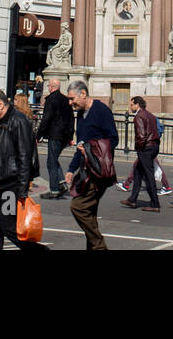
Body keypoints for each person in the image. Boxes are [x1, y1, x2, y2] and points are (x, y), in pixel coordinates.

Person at [0, 88, 47, 251]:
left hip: (9, 188)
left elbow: (25, 156)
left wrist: (22, 191)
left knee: (9, 228)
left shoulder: (18, 121)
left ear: (1, 104)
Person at [63, 80, 118, 249]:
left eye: (72, 99)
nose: (70, 103)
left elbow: (113, 139)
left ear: (83, 94)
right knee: (90, 213)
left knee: (78, 207)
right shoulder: (80, 115)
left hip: (99, 170)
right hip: (86, 170)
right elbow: (81, 143)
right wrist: (72, 169)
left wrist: (91, 149)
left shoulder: (102, 111)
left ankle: (100, 246)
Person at [121, 96, 161, 211]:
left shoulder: (139, 116)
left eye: (132, 104)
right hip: (153, 145)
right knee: (138, 172)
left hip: (146, 148)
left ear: (137, 104)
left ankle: (155, 204)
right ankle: (132, 199)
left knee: (149, 176)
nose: (130, 106)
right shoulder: (150, 115)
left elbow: (141, 135)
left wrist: (139, 148)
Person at [37, 77, 74, 199]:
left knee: (51, 162)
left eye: (48, 86)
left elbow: (46, 118)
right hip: (64, 135)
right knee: (54, 158)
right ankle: (62, 183)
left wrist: (38, 135)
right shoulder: (65, 99)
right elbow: (71, 118)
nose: (48, 88)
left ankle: (54, 189)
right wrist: (70, 136)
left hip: (55, 134)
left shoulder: (51, 100)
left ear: (51, 87)